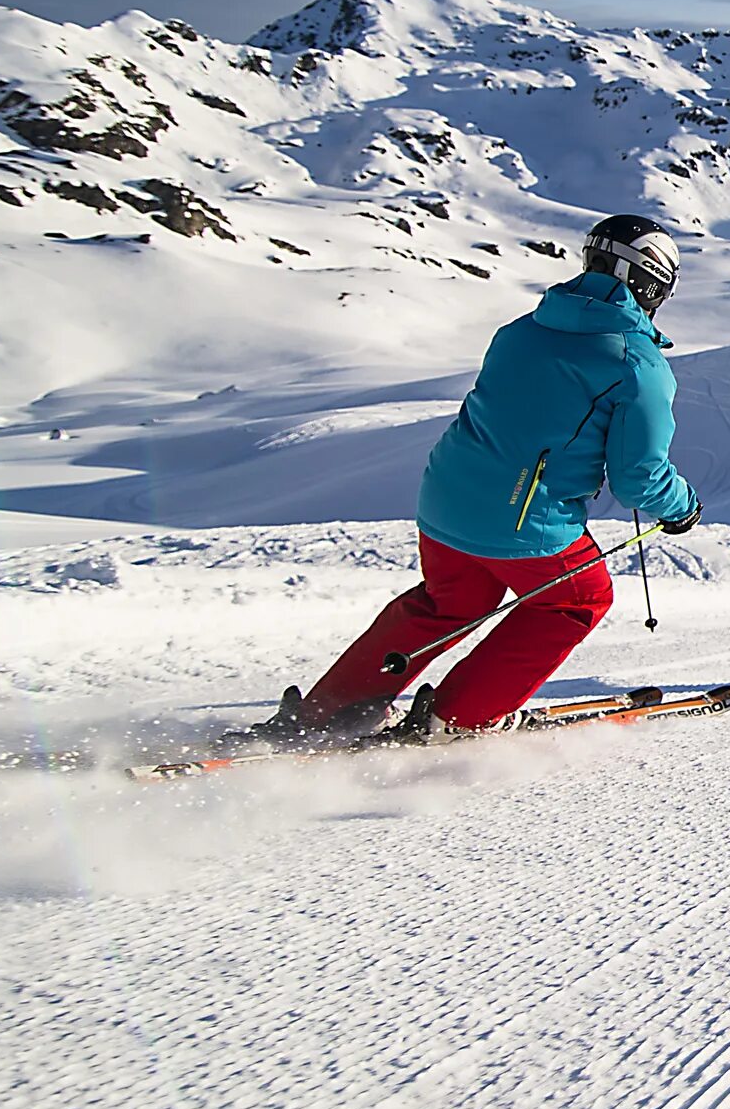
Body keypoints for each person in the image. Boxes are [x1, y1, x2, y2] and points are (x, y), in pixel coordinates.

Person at [279, 215, 703, 739]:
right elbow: (638, 477)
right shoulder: (636, 364)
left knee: (449, 602)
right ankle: (456, 718)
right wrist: (681, 507)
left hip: (446, 497)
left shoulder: (522, 329)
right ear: (648, 281)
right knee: (576, 598)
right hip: (523, 518)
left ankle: (330, 709)